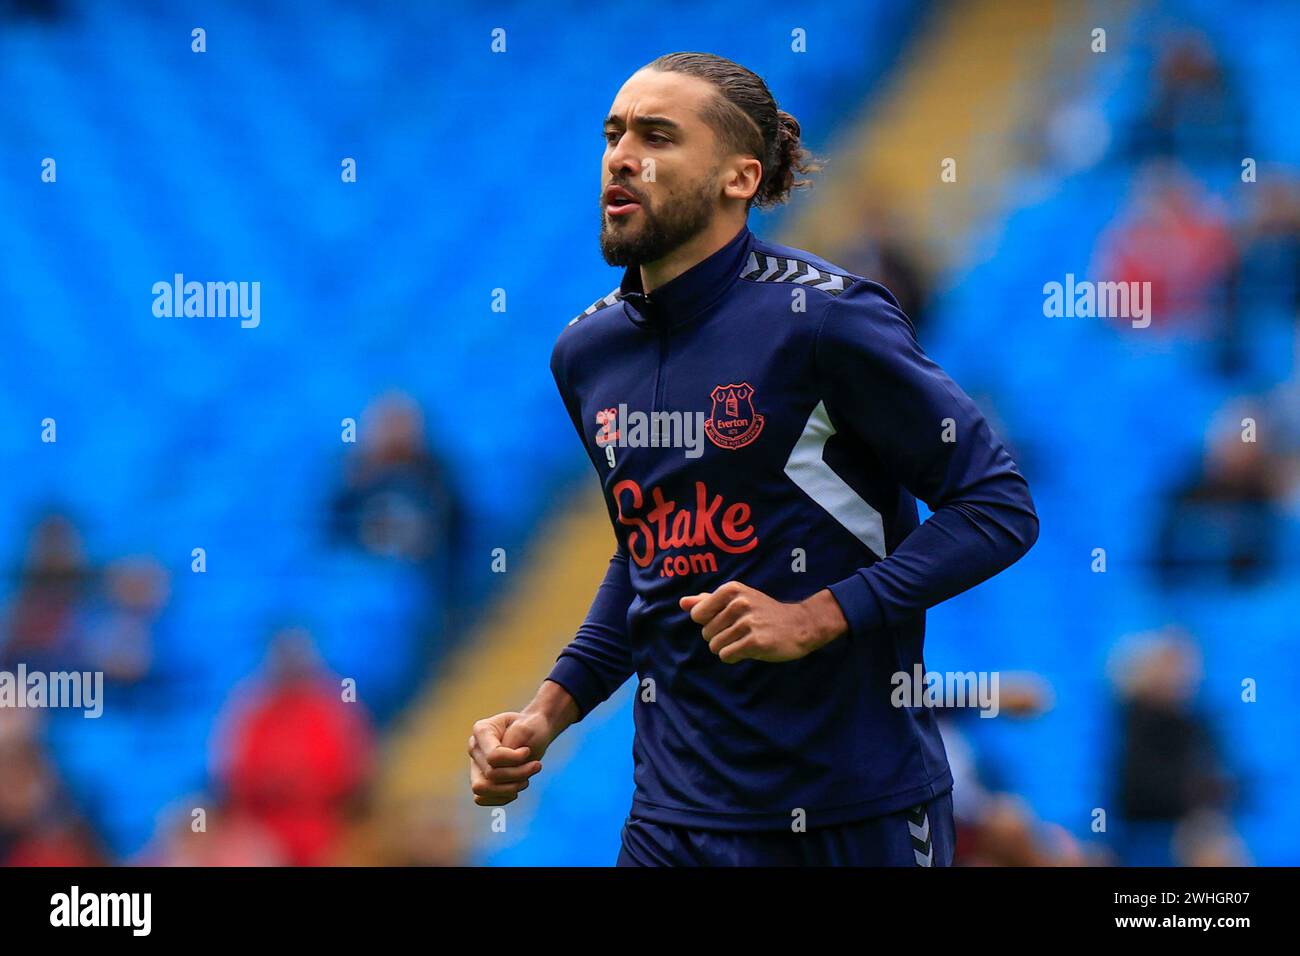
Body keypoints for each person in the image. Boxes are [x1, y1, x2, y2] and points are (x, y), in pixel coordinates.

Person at [468, 52, 1038, 866]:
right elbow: (649, 554)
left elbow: (997, 505)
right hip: (675, 823)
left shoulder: (825, 320)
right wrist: (548, 712)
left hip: (855, 814)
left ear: (741, 177)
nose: (622, 156)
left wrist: (819, 614)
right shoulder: (585, 354)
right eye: (614, 134)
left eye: (658, 137)